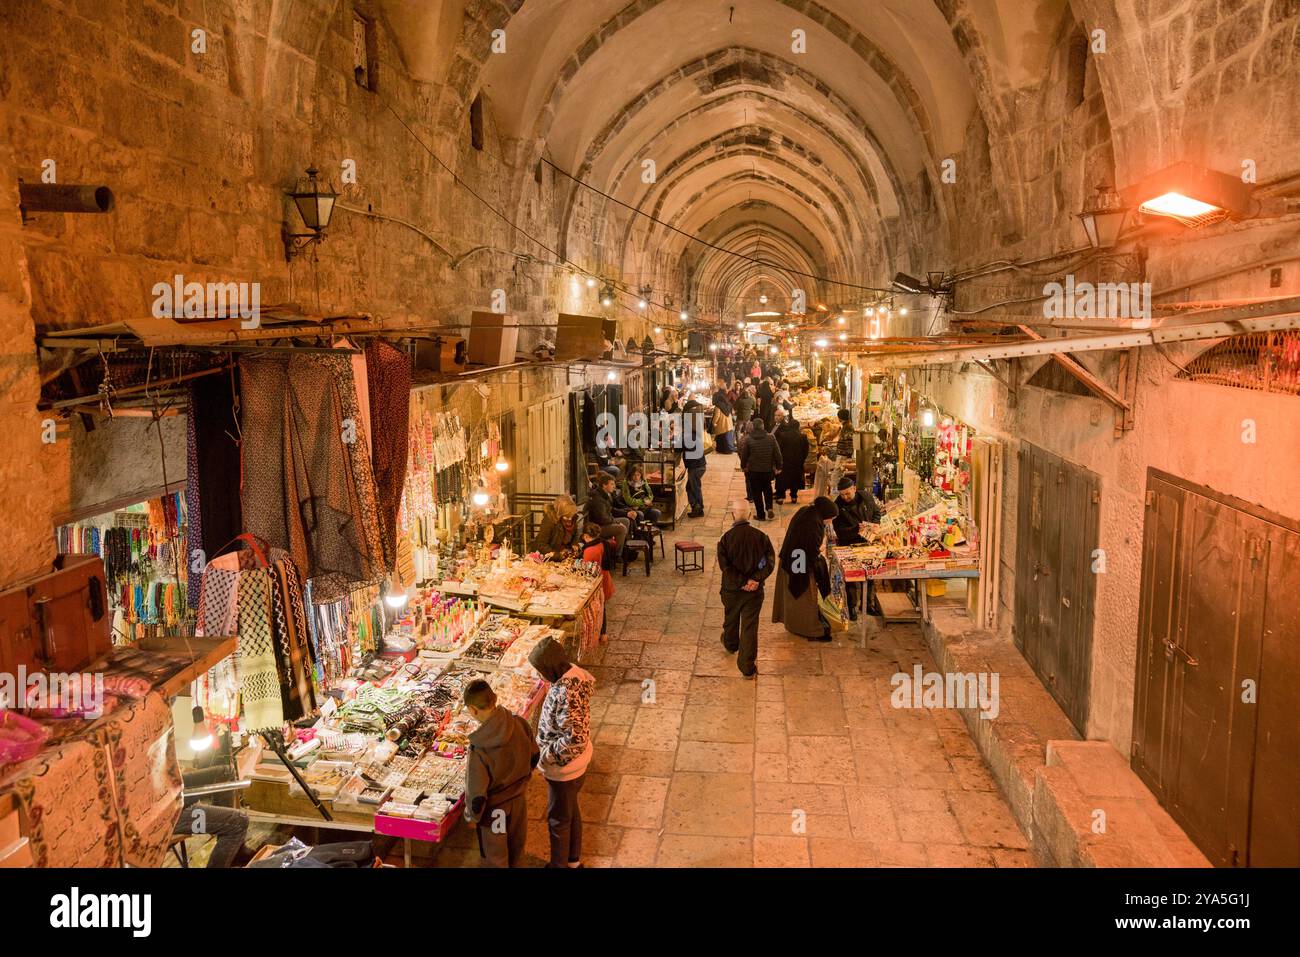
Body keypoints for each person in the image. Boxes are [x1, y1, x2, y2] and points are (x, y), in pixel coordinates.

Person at [528, 636, 595, 868]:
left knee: (558, 820)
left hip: (565, 769)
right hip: (573, 766)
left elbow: (574, 739)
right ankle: (573, 861)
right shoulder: (572, 679)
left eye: (540, 671)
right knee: (570, 812)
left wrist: (545, 756)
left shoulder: (565, 693)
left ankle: (559, 865)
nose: (539, 676)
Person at [463, 679, 540, 867]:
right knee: (516, 849)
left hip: (495, 810)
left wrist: (472, 816)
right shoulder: (519, 723)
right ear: (495, 698)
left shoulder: (478, 748)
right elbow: (534, 755)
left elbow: (477, 794)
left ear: (473, 710)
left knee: (495, 856)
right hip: (519, 801)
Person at [717, 499, 776, 679]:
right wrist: (754, 580)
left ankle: (731, 643)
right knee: (750, 627)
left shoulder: (726, 539)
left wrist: (741, 581)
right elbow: (769, 563)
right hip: (754, 592)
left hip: (732, 590)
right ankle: (747, 667)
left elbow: (725, 567)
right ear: (749, 515)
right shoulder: (761, 537)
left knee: (731, 618)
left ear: (733, 514)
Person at [772, 496, 839, 641]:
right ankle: (813, 630)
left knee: (793, 597)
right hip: (799, 564)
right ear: (825, 514)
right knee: (805, 597)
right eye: (831, 518)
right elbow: (810, 551)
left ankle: (794, 624)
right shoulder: (813, 525)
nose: (830, 522)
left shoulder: (806, 511)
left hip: (791, 559)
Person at [830, 476, 880, 620]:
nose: (845, 497)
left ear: (854, 489)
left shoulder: (866, 497)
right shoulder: (837, 506)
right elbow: (839, 532)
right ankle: (851, 607)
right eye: (842, 494)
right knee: (852, 578)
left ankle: (867, 604)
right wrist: (856, 529)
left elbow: (877, 512)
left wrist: (875, 524)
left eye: (848, 493)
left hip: (867, 543)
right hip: (848, 544)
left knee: (870, 574)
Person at [737, 418, 782, 521]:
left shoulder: (748, 439)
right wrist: (779, 467)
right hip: (767, 470)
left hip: (754, 471)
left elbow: (744, 456)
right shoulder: (771, 437)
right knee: (768, 489)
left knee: (756, 493)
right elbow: (777, 454)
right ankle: (769, 508)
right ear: (762, 426)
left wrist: (743, 466)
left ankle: (761, 515)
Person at [579, 522, 615, 635]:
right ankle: (603, 633)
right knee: (602, 607)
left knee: (598, 608)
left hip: (597, 582)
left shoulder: (590, 550)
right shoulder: (602, 543)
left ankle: (600, 633)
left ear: (585, 536)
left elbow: (587, 571)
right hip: (604, 578)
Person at [587, 472, 631, 553]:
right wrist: (615, 522)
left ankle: (623, 547)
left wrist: (625, 513)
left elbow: (610, 510)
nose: (614, 486)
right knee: (622, 529)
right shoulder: (598, 498)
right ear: (604, 485)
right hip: (598, 527)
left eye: (614, 484)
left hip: (606, 522)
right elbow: (602, 519)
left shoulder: (605, 494)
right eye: (611, 484)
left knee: (626, 521)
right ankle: (617, 555)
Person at [774, 415, 811, 504]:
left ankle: (780, 497)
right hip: (797, 462)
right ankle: (794, 496)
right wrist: (802, 459)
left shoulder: (782, 436)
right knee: (795, 479)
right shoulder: (803, 437)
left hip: (785, 461)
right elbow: (806, 450)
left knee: (782, 479)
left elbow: (779, 449)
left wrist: (778, 461)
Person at [682, 399, 708, 517]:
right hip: (700, 465)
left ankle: (699, 508)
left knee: (695, 487)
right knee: (691, 487)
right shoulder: (693, 432)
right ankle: (695, 507)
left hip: (695, 467)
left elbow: (678, 448)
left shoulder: (688, 435)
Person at [620, 463, 662, 527]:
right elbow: (628, 500)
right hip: (632, 509)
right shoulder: (626, 483)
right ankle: (640, 534)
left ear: (641, 475)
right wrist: (643, 502)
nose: (636, 477)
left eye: (638, 475)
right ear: (630, 475)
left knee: (657, 513)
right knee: (640, 514)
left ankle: (649, 532)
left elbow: (650, 495)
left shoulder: (643, 481)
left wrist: (645, 502)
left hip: (644, 507)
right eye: (634, 475)